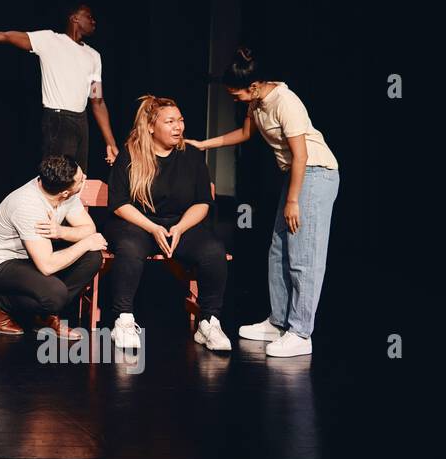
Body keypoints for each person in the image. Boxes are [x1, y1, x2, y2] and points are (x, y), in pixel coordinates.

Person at [185, 49, 338, 357]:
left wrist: (293, 199)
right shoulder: (257, 101)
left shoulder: (285, 102)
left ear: (253, 86)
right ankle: (279, 322)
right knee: (279, 249)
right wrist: (204, 144)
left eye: (236, 93)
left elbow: (302, 155)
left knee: (303, 255)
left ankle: (300, 332)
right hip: (296, 175)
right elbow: (244, 133)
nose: (234, 98)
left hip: (315, 173)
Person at [105, 96, 231, 352]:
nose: (179, 127)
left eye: (181, 120)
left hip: (179, 225)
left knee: (213, 250)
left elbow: (203, 202)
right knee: (129, 246)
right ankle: (124, 319)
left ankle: (209, 322)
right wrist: (151, 227)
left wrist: (181, 227)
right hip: (137, 223)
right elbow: (118, 203)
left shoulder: (192, 155)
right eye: (170, 121)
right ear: (151, 126)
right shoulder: (131, 153)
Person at [0, 3, 119, 173]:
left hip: (81, 122)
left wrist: (110, 143)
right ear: (75, 18)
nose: (94, 21)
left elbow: (97, 101)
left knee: (79, 180)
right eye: (89, 16)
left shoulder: (94, 56)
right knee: (57, 178)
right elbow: (6, 36)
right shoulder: (50, 40)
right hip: (58, 119)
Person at [0, 154, 107, 342]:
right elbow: (47, 265)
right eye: (81, 179)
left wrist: (61, 231)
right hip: (2, 265)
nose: (85, 177)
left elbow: (89, 229)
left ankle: (45, 314)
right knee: (55, 294)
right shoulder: (27, 205)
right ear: (64, 193)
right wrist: (85, 242)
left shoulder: (65, 193)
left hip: (35, 257)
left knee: (93, 257)